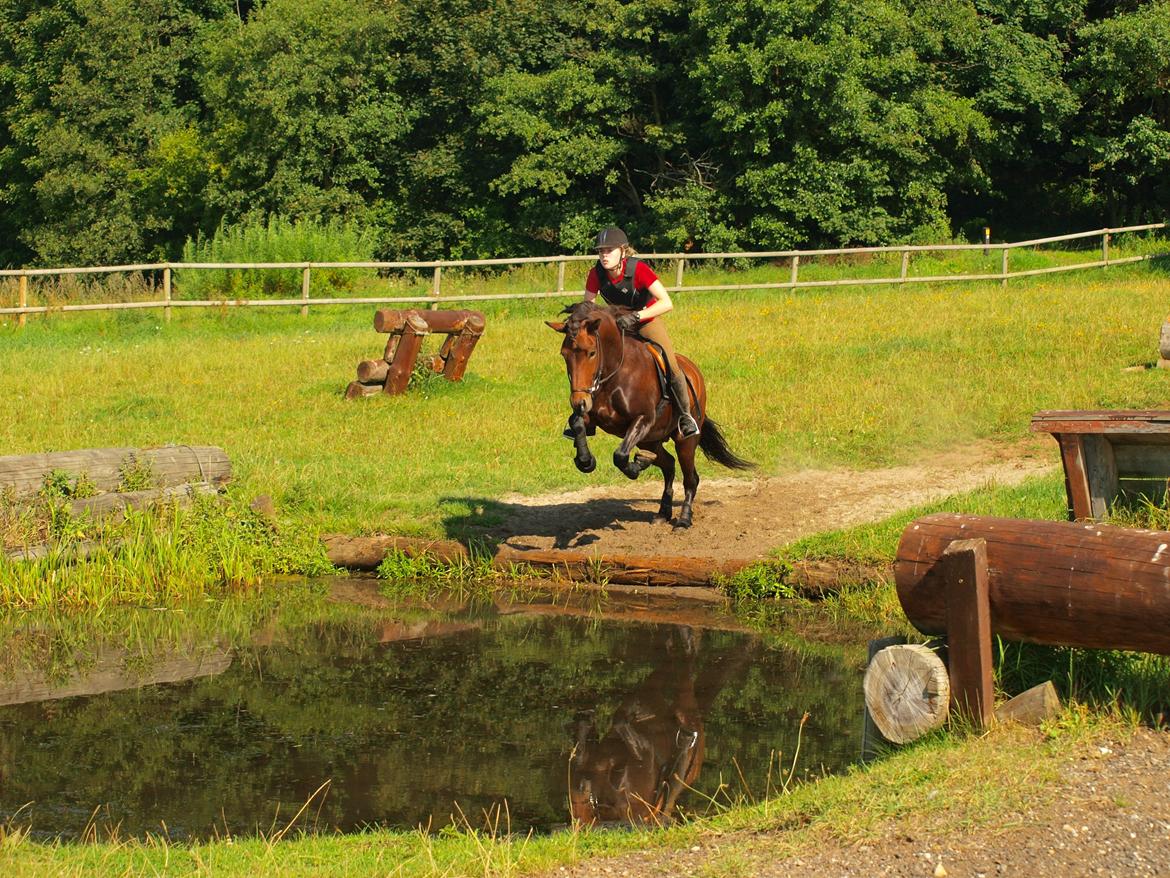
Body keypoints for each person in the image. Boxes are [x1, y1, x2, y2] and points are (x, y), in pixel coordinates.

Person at [570, 226, 699, 438]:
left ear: (623, 251)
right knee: (588, 358)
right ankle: (584, 418)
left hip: (646, 320)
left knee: (670, 362)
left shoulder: (638, 269)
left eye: (609, 250)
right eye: (601, 251)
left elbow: (667, 302)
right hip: (617, 325)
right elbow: (588, 308)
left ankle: (685, 417)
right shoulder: (596, 274)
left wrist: (637, 316)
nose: (604, 255)